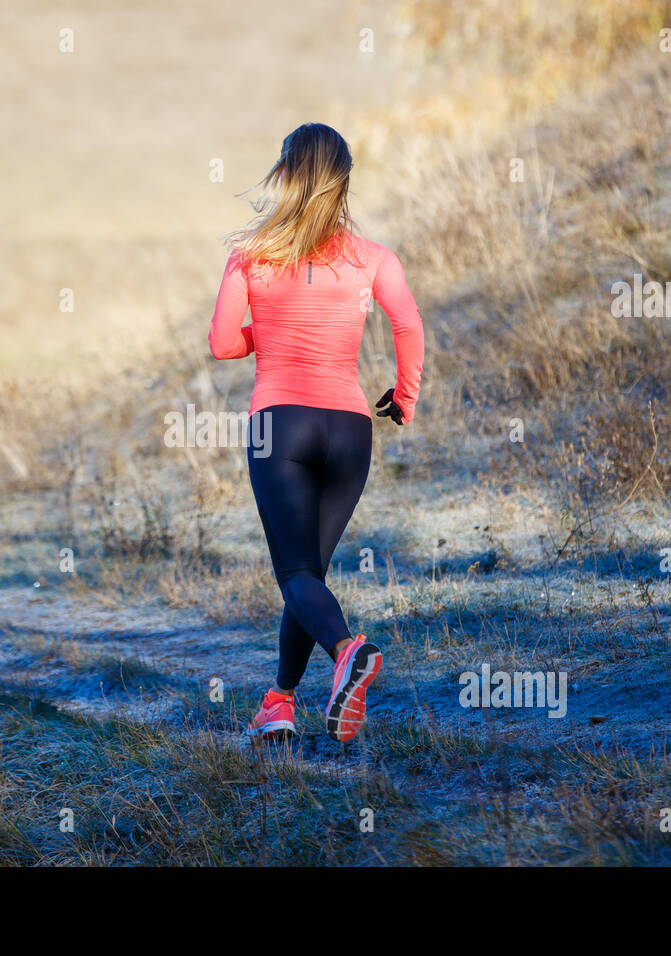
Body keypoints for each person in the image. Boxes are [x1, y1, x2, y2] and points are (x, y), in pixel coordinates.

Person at [208, 122, 424, 743]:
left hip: (281, 426)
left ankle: (348, 650)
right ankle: (279, 702)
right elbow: (407, 325)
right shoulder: (373, 258)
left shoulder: (252, 253)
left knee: (296, 573)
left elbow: (223, 344)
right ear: (343, 183)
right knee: (310, 577)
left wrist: (268, 335)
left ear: (284, 175)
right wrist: (403, 398)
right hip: (351, 430)